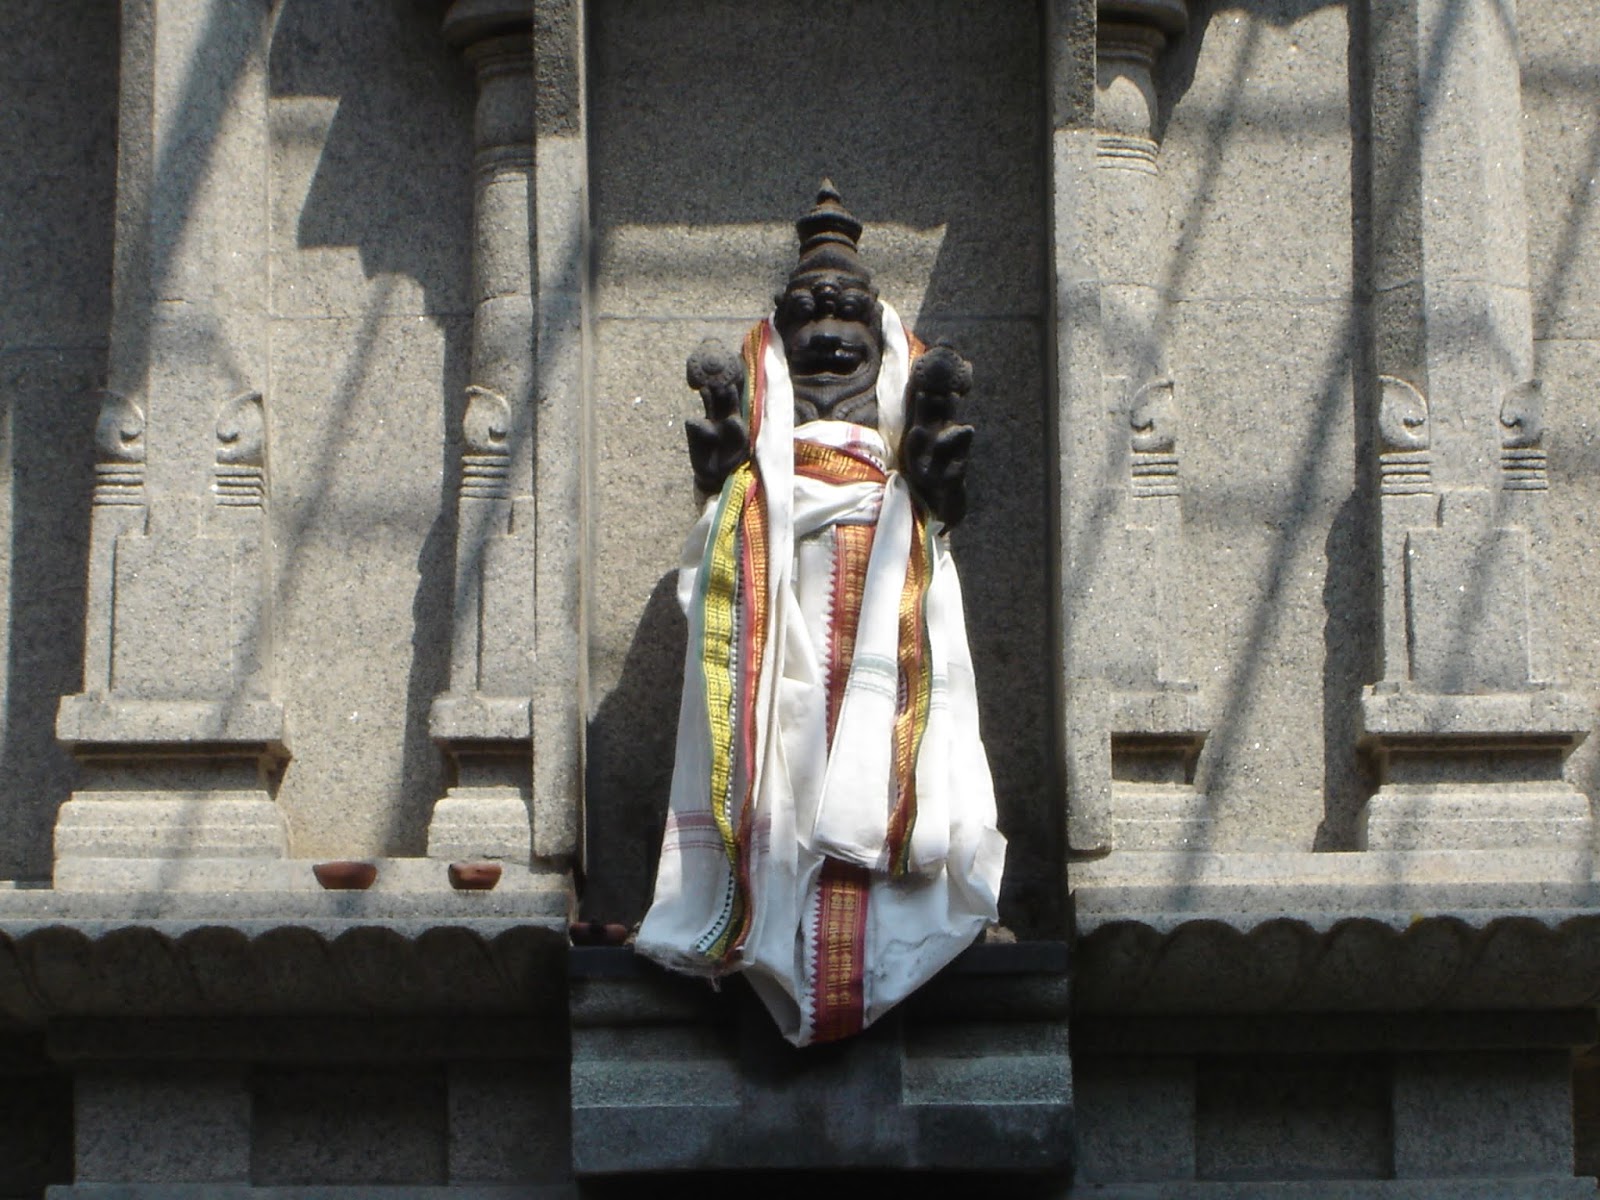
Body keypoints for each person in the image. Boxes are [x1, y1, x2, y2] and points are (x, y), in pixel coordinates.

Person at [635, 184, 1005, 1046]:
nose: (829, 338)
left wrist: (934, 427)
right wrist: (731, 421)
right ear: (777, 335)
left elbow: (938, 486)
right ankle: (777, 918)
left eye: (848, 320)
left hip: (891, 591)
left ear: (883, 340)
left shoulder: (892, 443)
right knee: (784, 767)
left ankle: (898, 918)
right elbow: (724, 488)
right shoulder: (761, 469)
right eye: (808, 317)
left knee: (898, 756)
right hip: (779, 597)